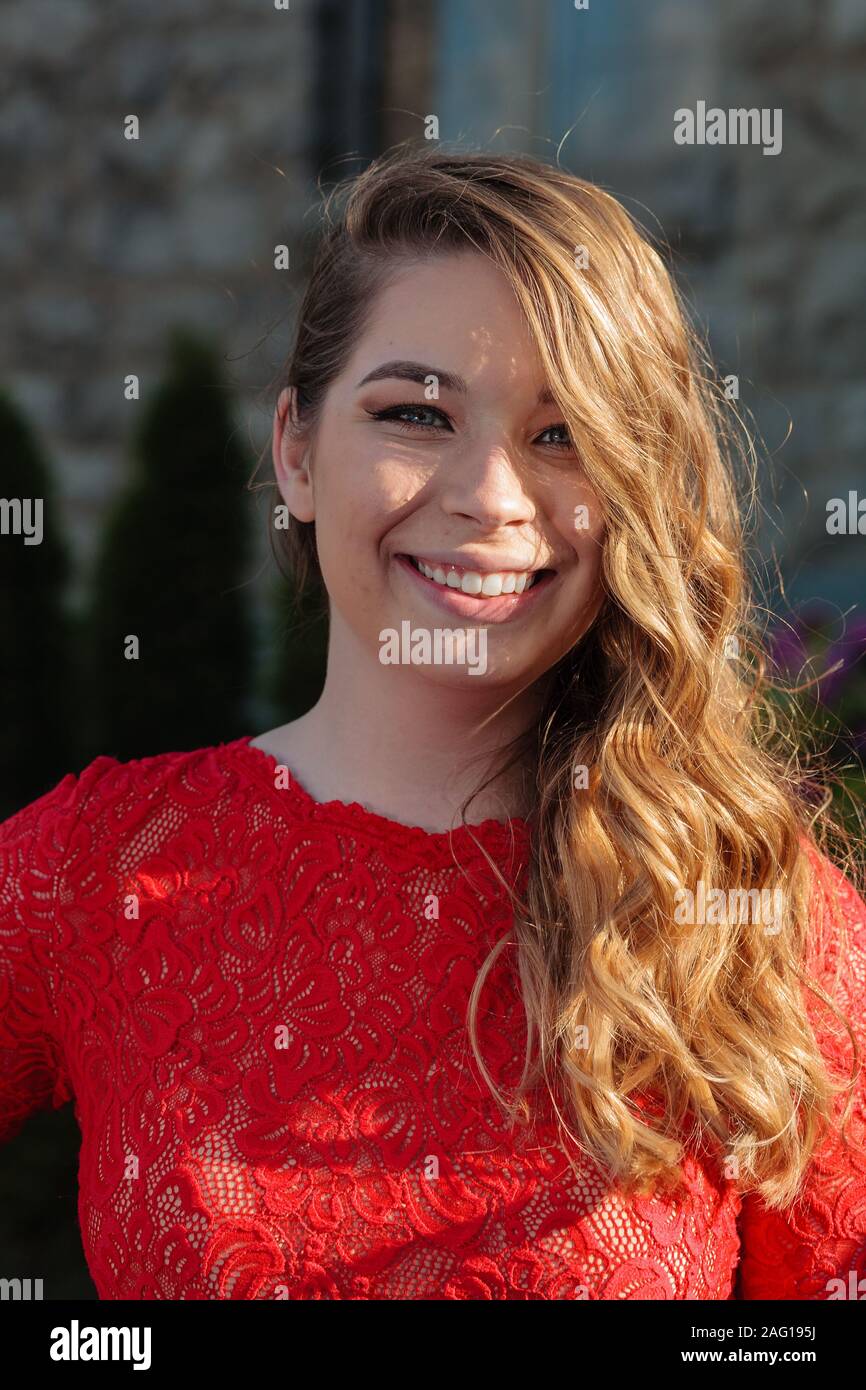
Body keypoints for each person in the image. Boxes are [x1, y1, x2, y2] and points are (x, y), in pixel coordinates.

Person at [1, 146, 864, 1301]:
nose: (491, 495)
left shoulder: (754, 916)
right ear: (296, 452)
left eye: (563, 435)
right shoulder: (100, 867)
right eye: (415, 413)